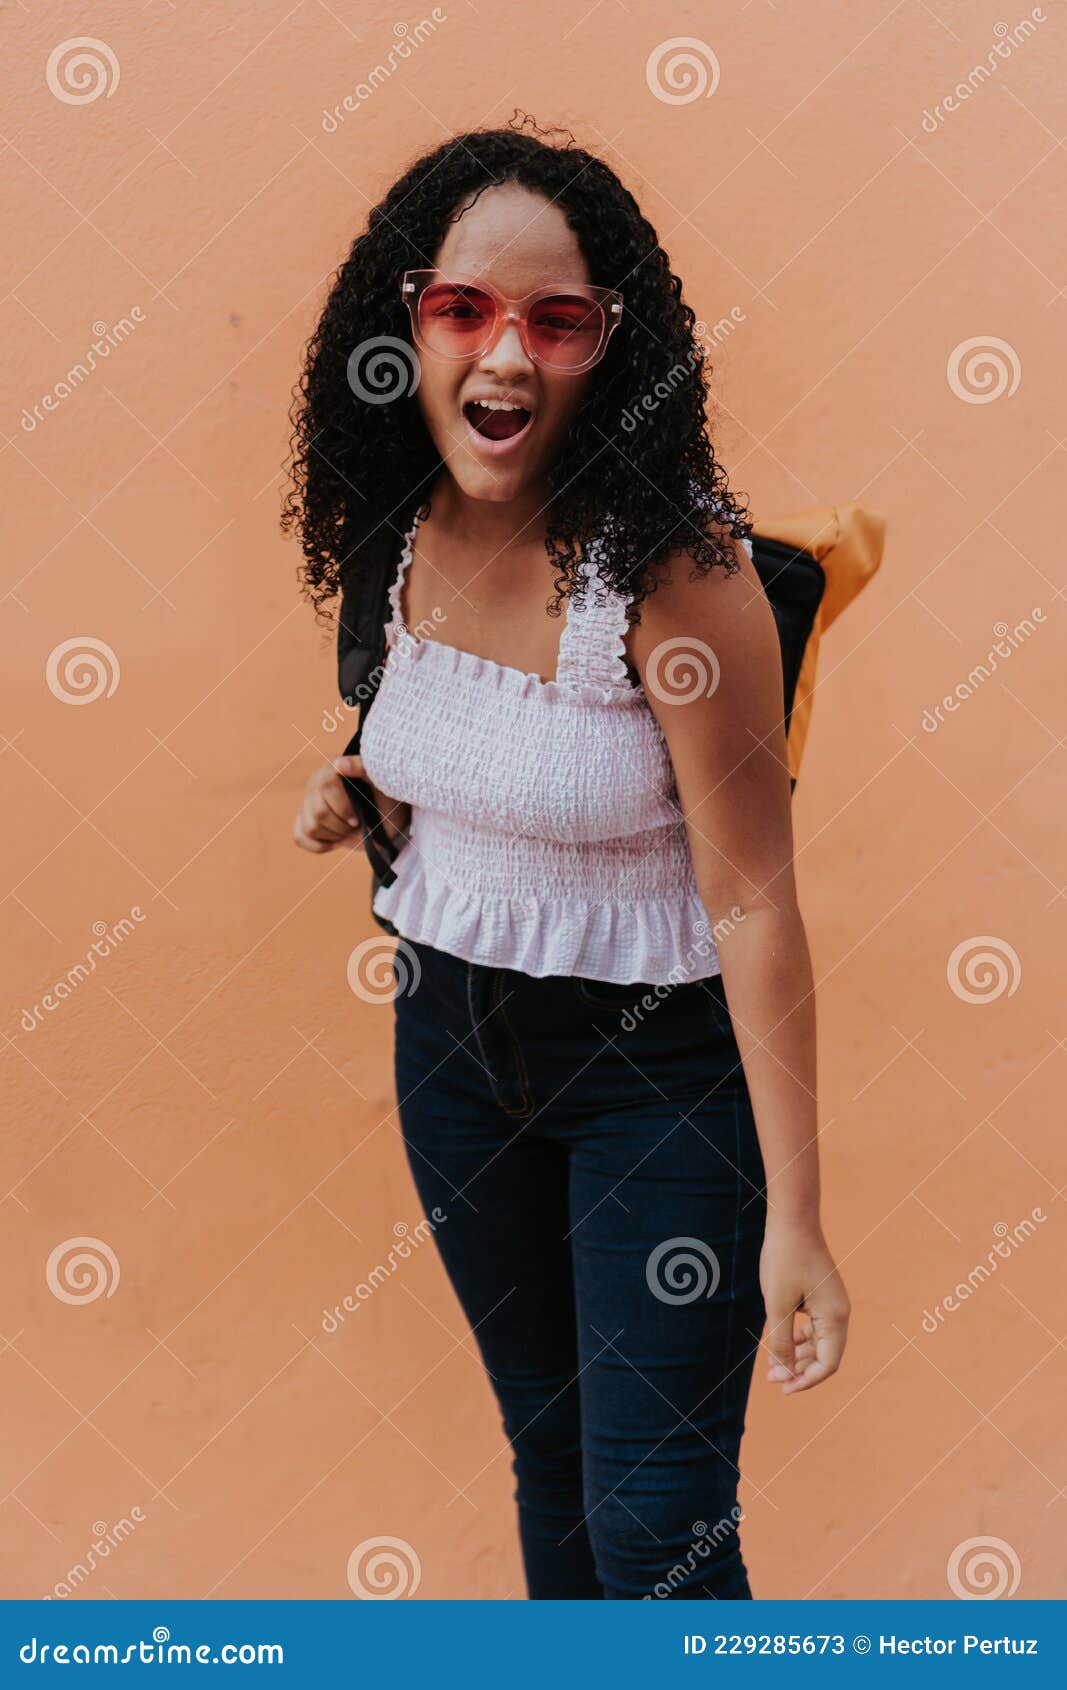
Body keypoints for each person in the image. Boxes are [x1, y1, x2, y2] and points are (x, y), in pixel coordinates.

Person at [286, 118, 850, 1600]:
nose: (505, 356)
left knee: (656, 1523)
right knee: (551, 1463)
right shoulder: (393, 528)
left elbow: (752, 897)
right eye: (462, 308)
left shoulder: (675, 573)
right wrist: (358, 788)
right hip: (452, 1053)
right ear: (403, 326)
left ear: (614, 347)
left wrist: (798, 1218)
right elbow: (454, 743)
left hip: (656, 1078)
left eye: (557, 321)